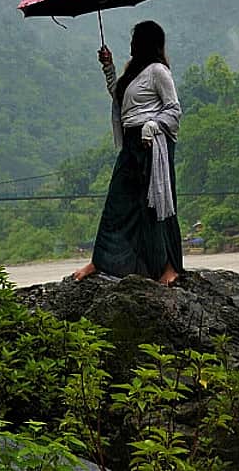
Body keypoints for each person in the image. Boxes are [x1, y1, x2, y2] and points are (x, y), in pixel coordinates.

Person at [73, 20, 184, 286]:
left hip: (152, 144)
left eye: (135, 39)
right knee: (117, 204)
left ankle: (170, 267)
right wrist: (108, 68)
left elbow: (174, 110)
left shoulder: (158, 71)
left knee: (157, 206)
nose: (131, 43)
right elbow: (120, 97)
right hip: (132, 144)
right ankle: (100, 261)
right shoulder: (133, 73)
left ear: (145, 42)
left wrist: (153, 125)